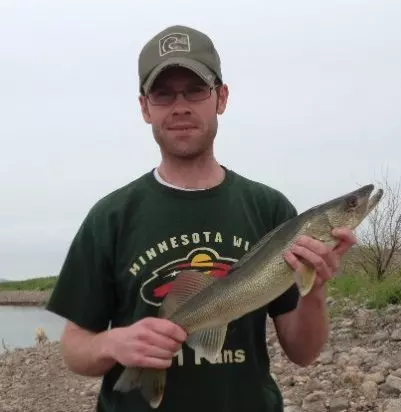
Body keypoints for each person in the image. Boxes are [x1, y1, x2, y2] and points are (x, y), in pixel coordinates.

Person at [46, 24, 356, 412]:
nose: (180, 106)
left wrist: (316, 291)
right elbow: (75, 349)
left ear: (221, 97)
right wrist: (114, 343)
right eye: (163, 93)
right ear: (145, 107)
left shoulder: (269, 208)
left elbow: (303, 353)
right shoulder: (109, 217)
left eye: (196, 89)